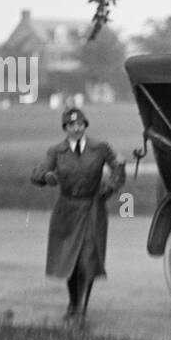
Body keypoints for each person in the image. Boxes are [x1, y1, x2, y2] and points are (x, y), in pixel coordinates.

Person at [31, 106, 125, 323]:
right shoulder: (56, 152)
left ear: (85, 126)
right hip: (67, 211)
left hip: (92, 209)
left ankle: (82, 308)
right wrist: (47, 176)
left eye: (81, 124)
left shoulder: (100, 148)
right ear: (65, 128)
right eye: (72, 125)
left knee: (88, 261)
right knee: (69, 262)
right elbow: (37, 175)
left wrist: (107, 189)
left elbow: (117, 172)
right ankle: (73, 304)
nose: (77, 128)